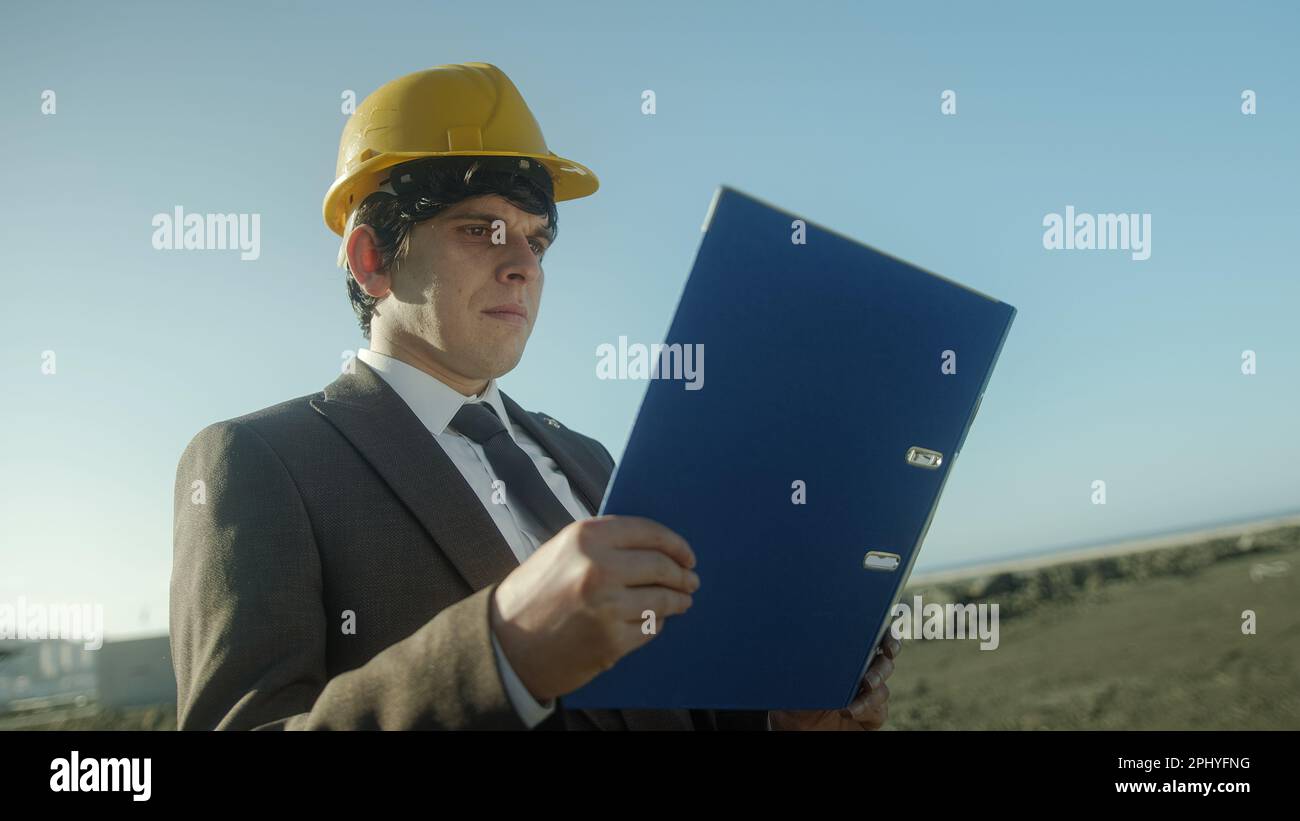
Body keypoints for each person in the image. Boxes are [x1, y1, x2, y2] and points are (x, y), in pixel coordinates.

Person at [169, 62, 898, 730]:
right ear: (372, 258)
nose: (522, 264)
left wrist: (780, 722)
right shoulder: (260, 462)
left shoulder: (593, 459)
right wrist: (502, 650)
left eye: (537, 241)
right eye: (480, 229)